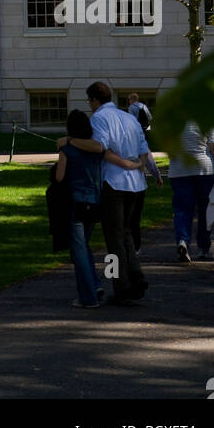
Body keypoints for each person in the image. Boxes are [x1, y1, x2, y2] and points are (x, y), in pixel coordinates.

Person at [60, 81, 152, 306]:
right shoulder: (129, 117)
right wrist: (138, 167)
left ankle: (120, 286)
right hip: (136, 184)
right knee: (127, 232)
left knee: (113, 238)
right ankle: (136, 276)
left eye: (89, 101)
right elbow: (144, 151)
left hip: (113, 182)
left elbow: (100, 149)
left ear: (94, 100)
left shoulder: (99, 118)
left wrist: (70, 141)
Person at [169, 122, 214, 262]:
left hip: (179, 171)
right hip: (204, 171)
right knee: (205, 210)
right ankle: (204, 248)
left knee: (182, 209)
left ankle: (183, 241)